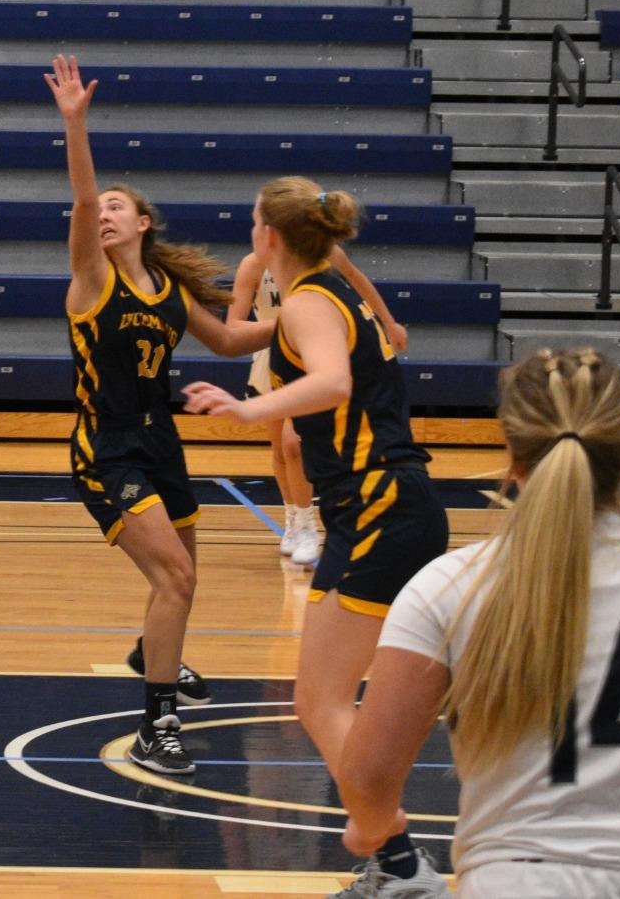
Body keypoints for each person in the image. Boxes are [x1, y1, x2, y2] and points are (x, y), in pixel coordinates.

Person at [339, 348, 620, 899]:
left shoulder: (449, 588)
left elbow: (368, 777)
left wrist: (371, 827)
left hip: (518, 879)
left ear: (513, 458)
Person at [182, 177, 451, 893]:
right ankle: (394, 852)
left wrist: (247, 411)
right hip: (372, 508)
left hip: (381, 503)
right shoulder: (326, 289)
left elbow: (331, 382)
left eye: (249, 220)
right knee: (316, 698)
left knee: (325, 698)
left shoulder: (307, 301)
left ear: (268, 233)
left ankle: (393, 848)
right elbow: (237, 335)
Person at [44, 54, 274, 776]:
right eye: (101, 207)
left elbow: (233, 340)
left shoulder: (169, 292)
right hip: (105, 447)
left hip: (162, 443)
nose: (104, 212)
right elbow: (81, 203)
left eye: (118, 205)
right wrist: (76, 125)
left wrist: (303, 315)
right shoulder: (91, 278)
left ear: (142, 222)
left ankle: (153, 653)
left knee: (180, 582)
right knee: (174, 577)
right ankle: (157, 723)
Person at [229, 248, 407, 568]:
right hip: (272, 358)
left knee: (294, 445)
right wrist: (287, 323)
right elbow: (234, 325)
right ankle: (293, 520)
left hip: (312, 352)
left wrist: (389, 322)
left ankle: (308, 524)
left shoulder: (325, 251)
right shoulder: (253, 265)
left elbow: (356, 278)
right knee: (281, 451)